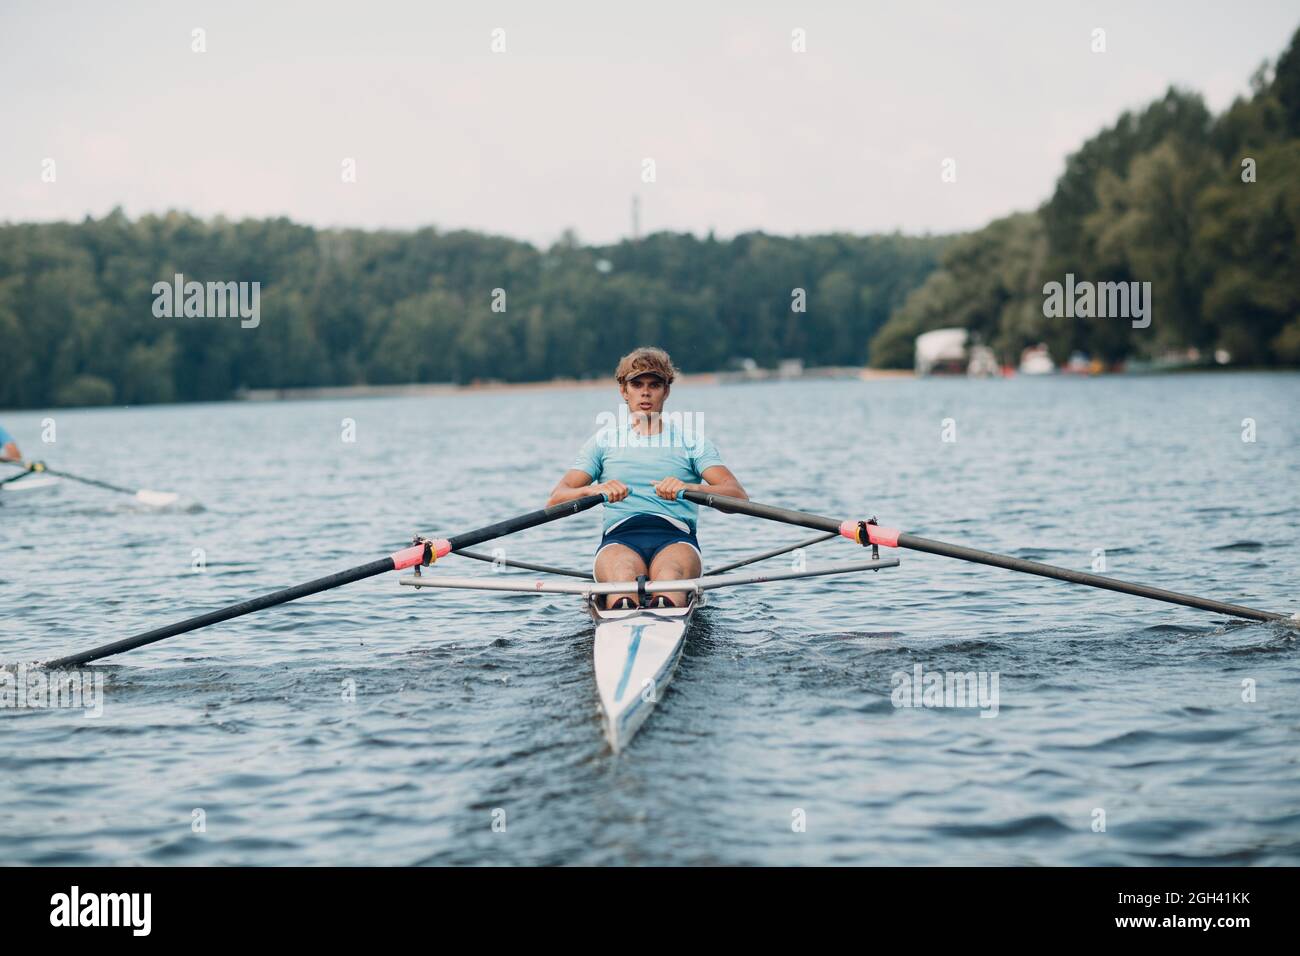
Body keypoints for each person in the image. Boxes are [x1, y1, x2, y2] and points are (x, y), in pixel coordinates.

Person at [547, 347, 748, 609]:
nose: (645, 392)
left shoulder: (693, 443)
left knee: (668, 580)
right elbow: (555, 502)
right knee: (623, 577)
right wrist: (594, 491)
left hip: (676, 538)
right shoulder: (603, 443)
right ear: (624, 391)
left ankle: (663, 607)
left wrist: (688, 487)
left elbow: (737, 496)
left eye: (654, 385)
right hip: (619, 538)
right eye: (637, 384)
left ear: (666, 391)